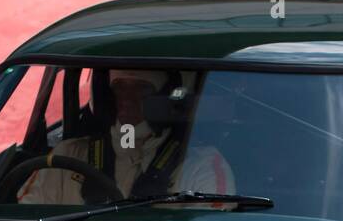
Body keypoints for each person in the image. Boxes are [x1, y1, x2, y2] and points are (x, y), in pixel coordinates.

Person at [17, 69, 235, 205]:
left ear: (167, 97)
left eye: (142, 88)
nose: (127, 99)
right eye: (119, 87)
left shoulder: (202, 166)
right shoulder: (67, 156)